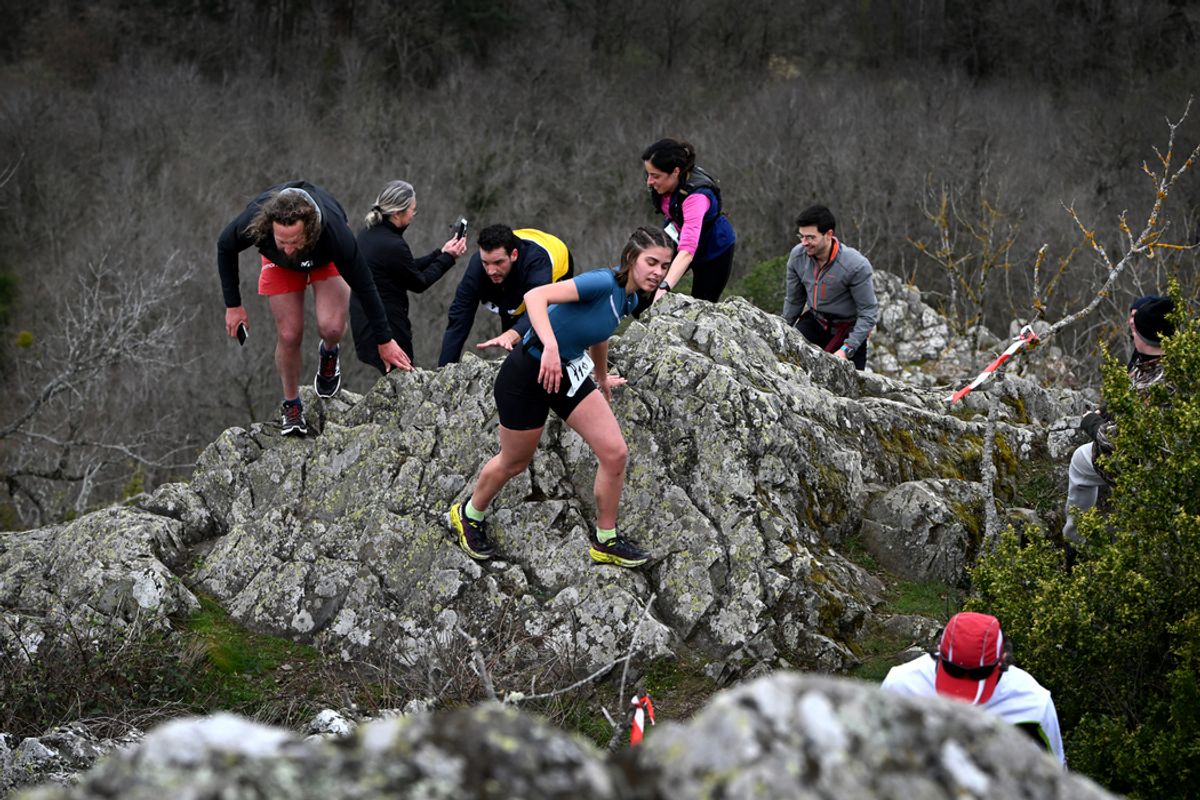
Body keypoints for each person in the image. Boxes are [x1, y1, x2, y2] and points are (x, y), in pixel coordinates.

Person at [448, 227, 674, 568]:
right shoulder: (601, 283)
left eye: (664, 266)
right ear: (631, 258)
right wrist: (551, 346)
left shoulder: (628, 297)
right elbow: (536, 297)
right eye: (651, 262)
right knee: (515, 462)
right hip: (527, 373)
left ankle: (606, 540)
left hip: (567, 373)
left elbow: (600, 333)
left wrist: (600, 376)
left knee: (615, 453)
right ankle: (467, 514)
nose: (658, 272)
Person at [217, 181, 410, 436]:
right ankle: (292, 405)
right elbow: (225, 246)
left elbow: (365, 286)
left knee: (331, 328)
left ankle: (329, 353)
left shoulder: (335, 234)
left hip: (324, 258)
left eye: (294, 241)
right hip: (281, 269)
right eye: (281, 241)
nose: (288, 249)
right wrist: (233, 305)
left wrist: (385, 340)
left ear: (309, 230)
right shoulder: (256, 220)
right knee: (289, 334)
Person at [881, 611, 1065, 766]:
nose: (963, 698)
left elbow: (1055, 778)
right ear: (939, 654)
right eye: (954, 671)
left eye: (979, 675)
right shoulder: (902, 685)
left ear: (1002, 661)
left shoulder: (1034, 705)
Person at [1062, 295, 1174, 543]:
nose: (1131, 331)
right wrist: (1111, 409)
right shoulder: (1171, 361)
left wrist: (1092, 422)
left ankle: (1075, 542)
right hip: (1176, 462)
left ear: (1143, 339)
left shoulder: (1156, 382)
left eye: (1136, 330)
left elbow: (1121, 441)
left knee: (1080, 461)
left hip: (1149, 468)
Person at [349, 180, 467, 372]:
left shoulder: (369, 234)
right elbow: (418, 282)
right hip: (388, 329)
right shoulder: (393, 244)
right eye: (412, 210)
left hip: (365, 322)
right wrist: (449, 259)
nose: (414, 215)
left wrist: (441, 253)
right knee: (403, 385)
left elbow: (404, 268)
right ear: (397, 213)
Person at [437, 225, 573, 366]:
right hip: (513, 278)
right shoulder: (477, 266)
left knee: (543, 332)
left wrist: (512, 334)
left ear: (513, 255)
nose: (490, 271)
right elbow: (459, 318)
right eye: (486, 263)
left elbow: (539, 310)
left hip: (557, 265)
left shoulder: (536, 263)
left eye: (498, 263)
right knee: (514, 342)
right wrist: (444, 368)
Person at [782, 205, 879, 370]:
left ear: (829, 235)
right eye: (801, 236)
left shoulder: (855, 266)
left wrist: (846, 349)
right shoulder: (798, 256)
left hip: (848, 331)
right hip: (814, 323)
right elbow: (794, 300)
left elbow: (868, 313)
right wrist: (782, 329)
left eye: (811, 237)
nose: (804, 243)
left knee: (848, 390)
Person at [643, 138, 736, 304]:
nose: (649, 182)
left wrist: (664, 288)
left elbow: (687, 251)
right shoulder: (665, 184)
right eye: (648, 174)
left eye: (655, 176)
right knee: (644, 292)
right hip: (678, 234)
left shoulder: (696, 197)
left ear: (676, 172)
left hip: (713, 249)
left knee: (702, 303)